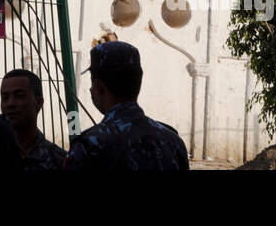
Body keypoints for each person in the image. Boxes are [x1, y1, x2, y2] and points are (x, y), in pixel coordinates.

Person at [63, 40, 189, 171]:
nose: (90, 90)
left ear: (99, 86)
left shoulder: (89, 145)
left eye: (91, 83)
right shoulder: (172, 142)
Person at [0, 68, 66, 170]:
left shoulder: (60, 160)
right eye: (5, 98)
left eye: (19, 96)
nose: (10, 104)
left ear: (39, 102)